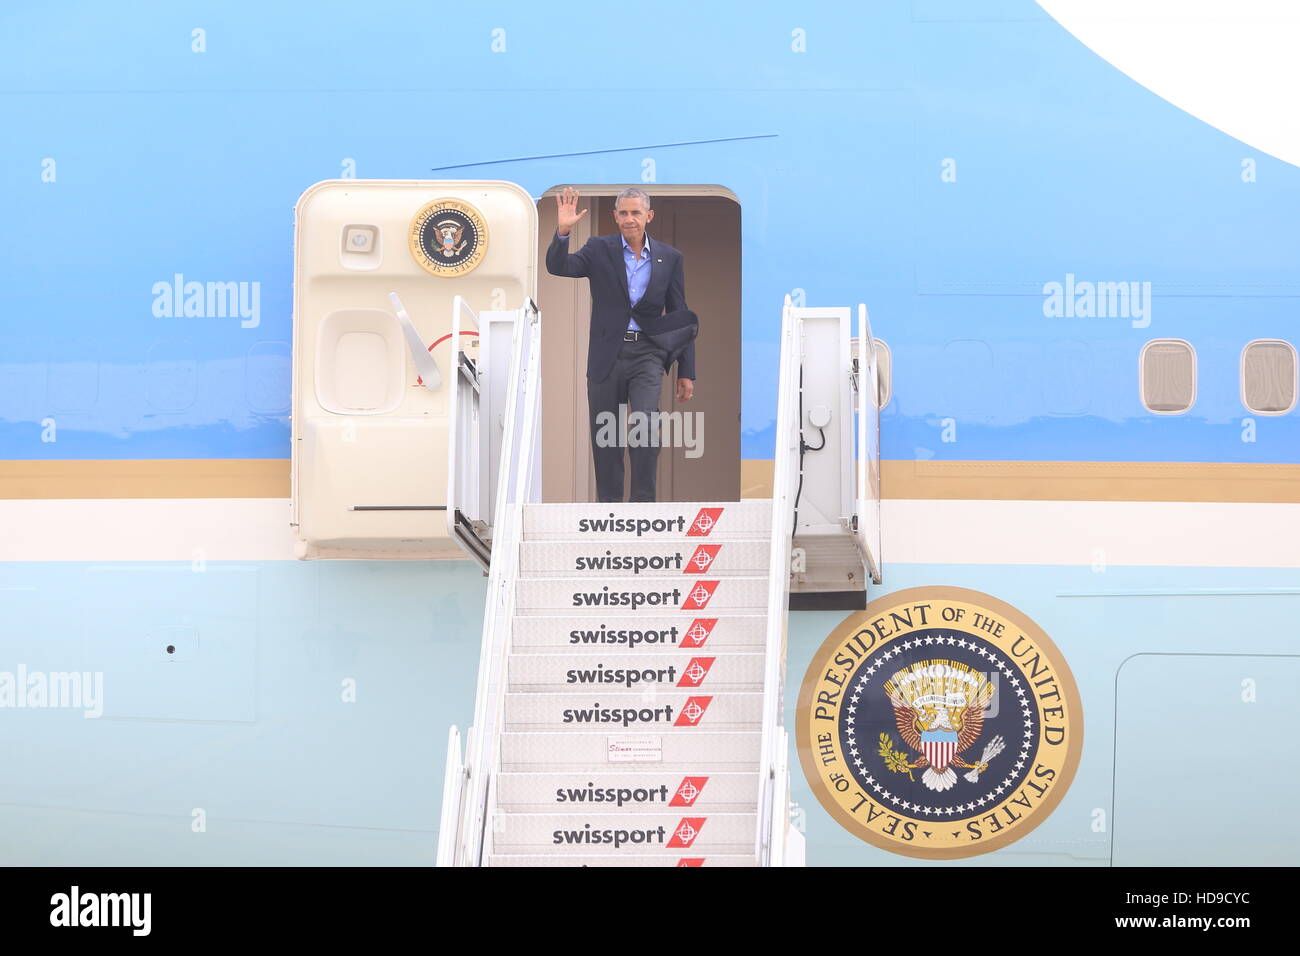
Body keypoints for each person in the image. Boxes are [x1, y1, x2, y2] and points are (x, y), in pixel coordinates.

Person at [546, 186, 697, 503]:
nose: (630, 219)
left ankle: (642, 508)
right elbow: (559, 267)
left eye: (636, 212)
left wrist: (687, 370)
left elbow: (680, 316)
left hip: (648, 355)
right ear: (615, 216)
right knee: (606, 437)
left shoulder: (670, 258)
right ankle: (610, 511)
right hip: (607, 356)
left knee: (644, 425)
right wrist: (563, 231)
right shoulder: (598, 248)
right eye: (624, 213)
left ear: (648, 216)